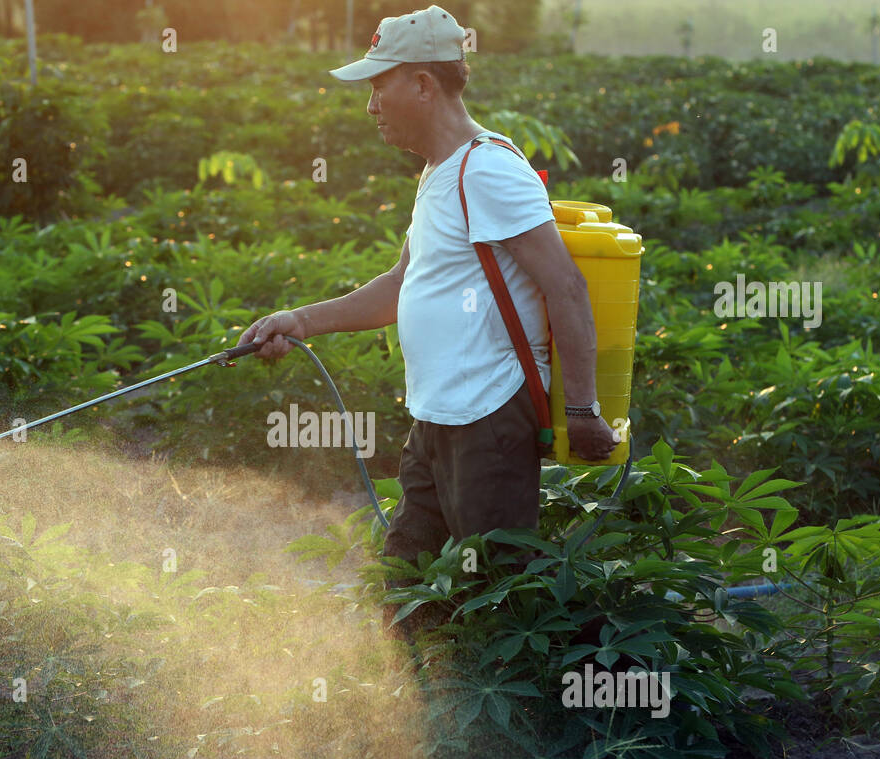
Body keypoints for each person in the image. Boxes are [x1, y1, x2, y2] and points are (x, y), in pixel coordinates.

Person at [236, 4, 618, 642]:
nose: (371, 104)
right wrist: (299, 320)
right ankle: (428, 716)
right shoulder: (440, 173)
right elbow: (398, 287)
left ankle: (541, 725)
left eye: (379, 85)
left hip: (491, 418)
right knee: (409, 586)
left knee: (499, 593)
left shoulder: (490, 168)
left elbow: (566, 287)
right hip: (437, 418)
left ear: (422, 83)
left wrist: (578, 410)